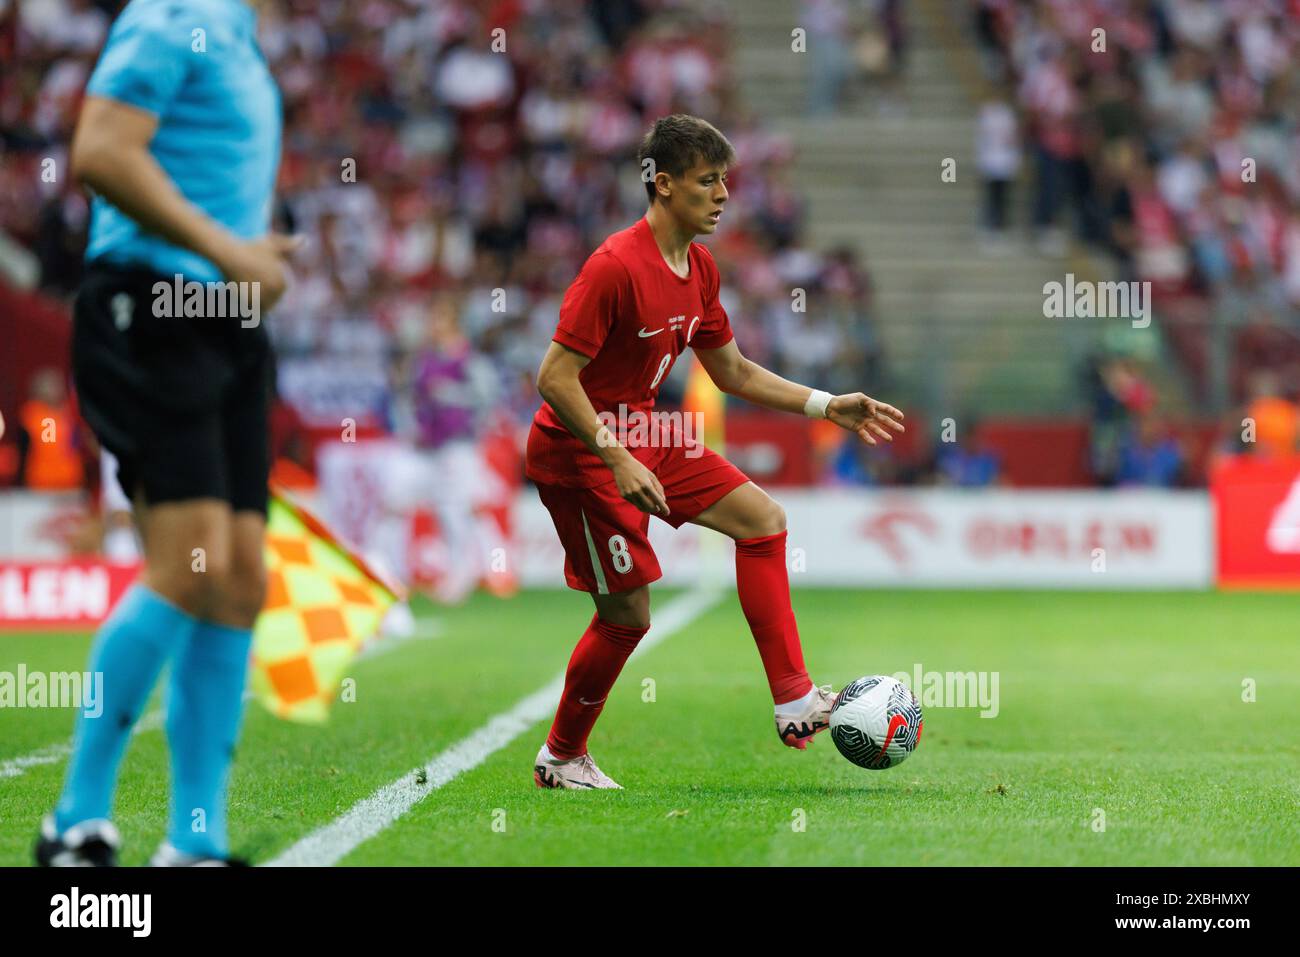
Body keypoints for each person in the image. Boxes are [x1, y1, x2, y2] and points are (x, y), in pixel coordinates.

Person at [527, 114, 904, 789]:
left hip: (647, 434)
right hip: (581, 453)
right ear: (664, 184)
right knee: (626, 618)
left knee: (762, 518)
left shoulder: (699, 268)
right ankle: (560, 757)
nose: (724, 194)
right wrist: (616, 456)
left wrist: (826, 404)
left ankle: (794, 698)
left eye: (725, 179)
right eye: (708, 180)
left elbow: (732, 371)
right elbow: (554, 377)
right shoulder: (613, 266)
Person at [37, 0, 293, 866]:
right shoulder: (173, 12)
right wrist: (231, 252)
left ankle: (194, 844)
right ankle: (73, 822)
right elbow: (102, 153)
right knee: (191, 562)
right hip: (151, 308)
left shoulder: (239, 30)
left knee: (240, 577)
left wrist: (254, 254)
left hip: (225, 320)